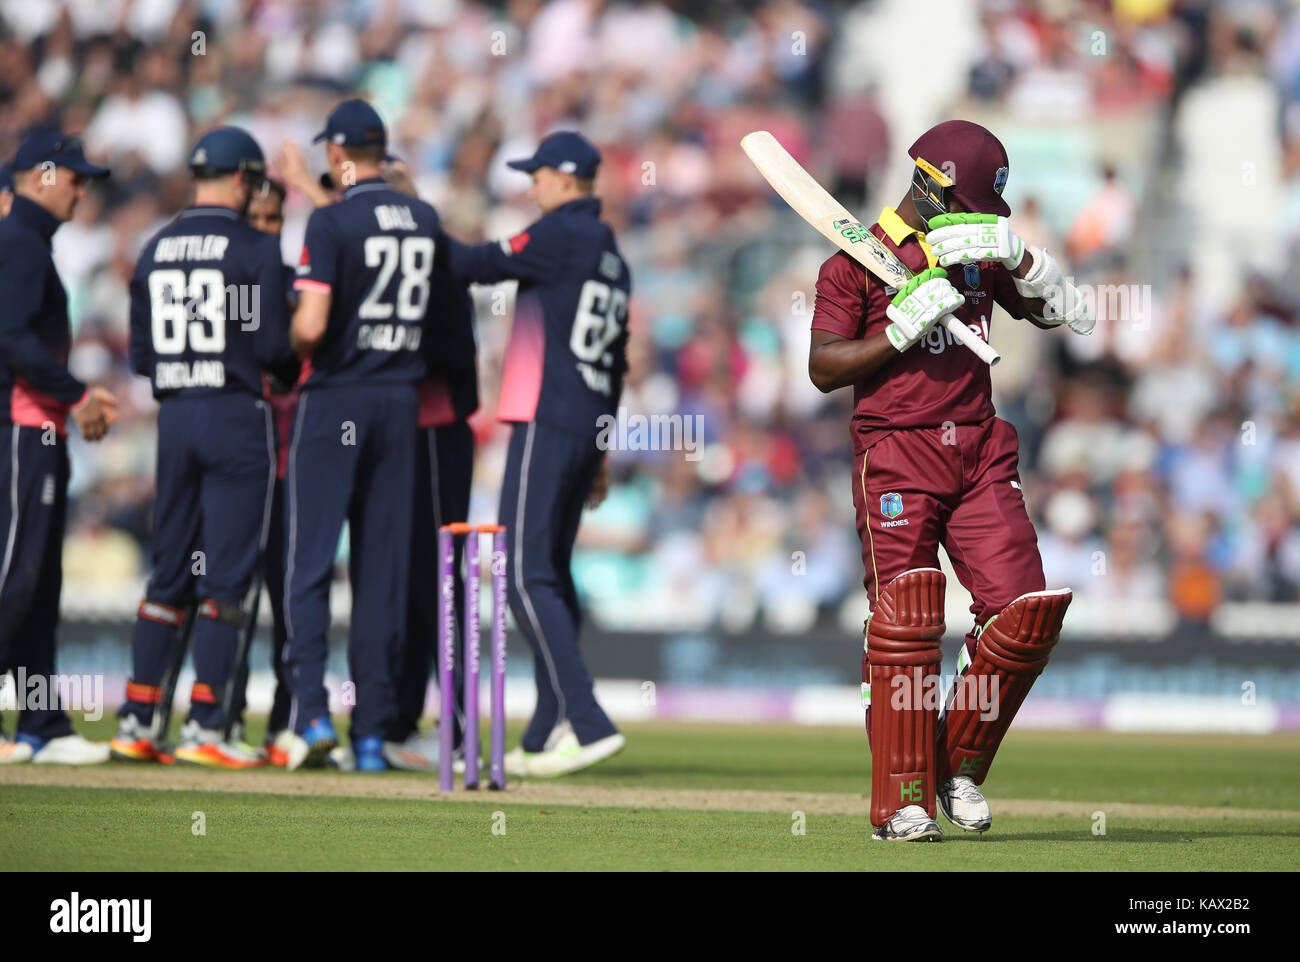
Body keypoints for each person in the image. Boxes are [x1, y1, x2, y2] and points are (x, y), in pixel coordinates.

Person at [807, 119, 1095, 840]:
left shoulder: (973, 250)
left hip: (979, 447)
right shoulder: (852, 263)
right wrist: (895, 333)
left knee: (1024, 612)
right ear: (930, 185)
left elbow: (1065, 315)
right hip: (897, 452)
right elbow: (822, 368)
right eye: (970, 205)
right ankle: (903, 799)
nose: (978, 221)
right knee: (905, 624)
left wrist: (1021, 255)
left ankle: (955, 765)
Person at [439, 131, 628, 777]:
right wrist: (601, 446)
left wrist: (415, 232)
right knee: (547, 568)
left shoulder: (558, 234)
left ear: (565, 177)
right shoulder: (611, 254)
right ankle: (546, 728)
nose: (531, 185)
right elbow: (617, 362)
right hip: (583, 422)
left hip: (546, 413)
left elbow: (474, 265)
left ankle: (588, 719)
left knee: (522, 571)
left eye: (538, 175)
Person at [110, 127, 295, 768]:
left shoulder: (155, 247)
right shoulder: (254, 249)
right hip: (235, 416)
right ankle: (206, 726)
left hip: (175, 418)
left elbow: (139, 357)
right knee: (226, 581)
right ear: (243, 179)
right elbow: (272, 347)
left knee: (167, 575)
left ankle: (137, 718)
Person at [282, 100, 449, 772]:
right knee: (382, 572)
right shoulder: (425, 219)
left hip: (337, 398)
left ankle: (311, 712)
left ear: (337, 154)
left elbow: (313, 326)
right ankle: (373, 733)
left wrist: (290, 334)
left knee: (311, 563)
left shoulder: (328, 222)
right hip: (399, 403)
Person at [0, 129, 117, 765]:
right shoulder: (19, 243)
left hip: (39, 427)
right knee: (15, 579)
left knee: (40, 583)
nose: (81, 190)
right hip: (22, 427)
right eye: (74, 178)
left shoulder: (29, 243)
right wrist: (77, 395)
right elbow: (12, 339)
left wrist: (73, 401)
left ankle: (40, 722)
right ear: (44, 176)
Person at [240, 176, 298, 766]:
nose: (264, 231)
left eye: (273, 220)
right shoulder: (220, 287)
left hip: (289, 469)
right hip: (236, 467)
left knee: (289, 600)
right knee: (225, 593)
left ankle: (287, 720)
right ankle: (219, 717)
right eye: (255, 219)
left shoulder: (296, 289)